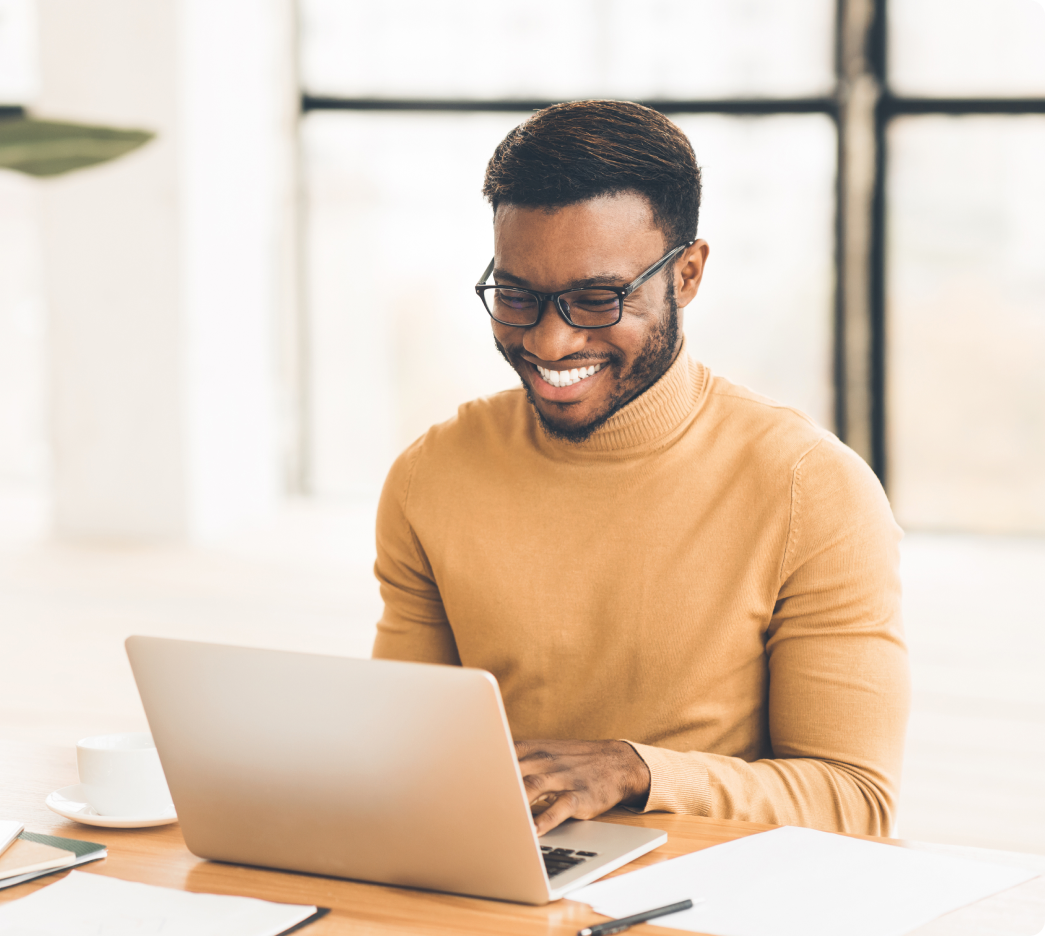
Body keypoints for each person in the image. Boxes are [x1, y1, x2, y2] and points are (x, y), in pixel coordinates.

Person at [371, 100, 909, 838]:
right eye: (518, 296)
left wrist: (639, 771)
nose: (551, 342)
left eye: (597, 299)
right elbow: (402, 751)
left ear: (686, 274)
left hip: (713, 883)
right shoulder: (430, 477)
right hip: (499, 870)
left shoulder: (811, 488)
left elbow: (857, 801)